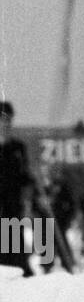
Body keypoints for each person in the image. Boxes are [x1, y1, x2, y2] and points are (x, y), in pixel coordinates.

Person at [0, 100, 35, 276]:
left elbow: (25, 176)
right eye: (1, 120)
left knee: (14, 252)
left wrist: (29, 190)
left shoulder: (17, 148)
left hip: (12, 208)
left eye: (8, 120)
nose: (5, 125)